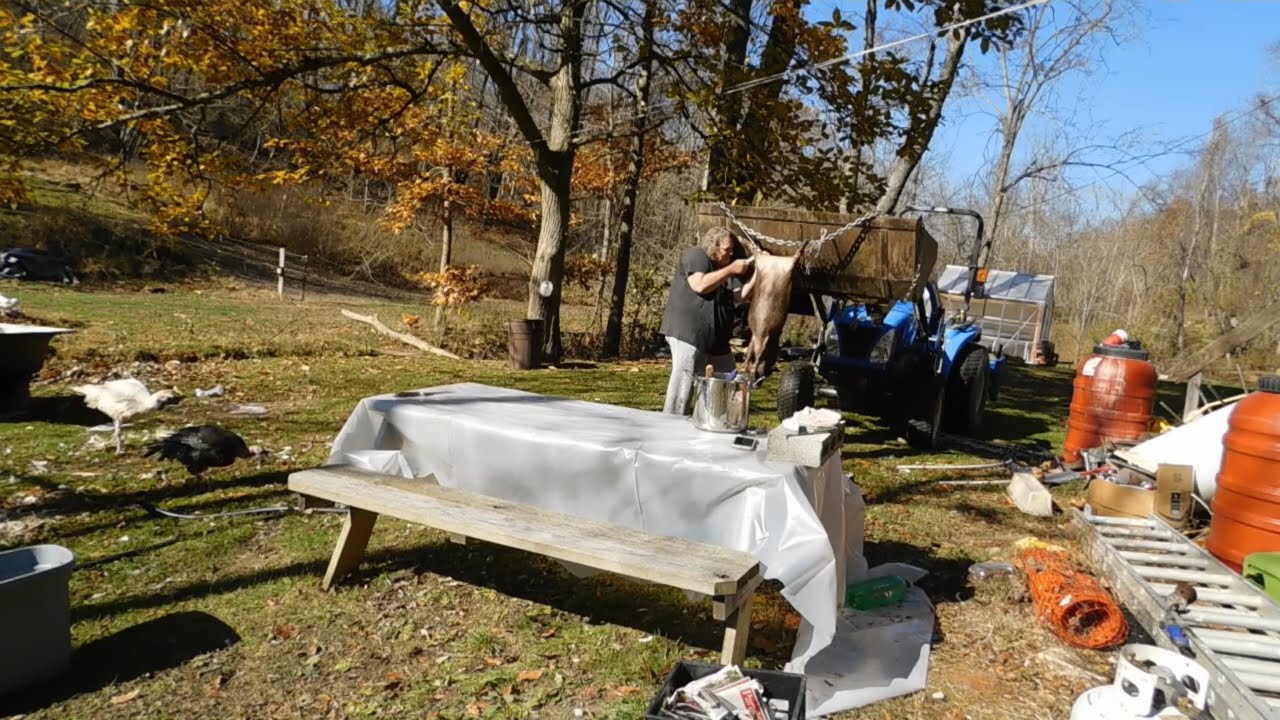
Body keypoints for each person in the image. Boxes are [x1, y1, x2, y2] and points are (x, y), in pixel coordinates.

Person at [659, 226, 756, 415]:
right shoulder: (697, 255)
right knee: (683, 385)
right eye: (727, 249)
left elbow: (740, 296)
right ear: (713, 246)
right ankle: (671, 425)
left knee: (728, 382)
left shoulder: (727, 266)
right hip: (689, 334)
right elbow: (700, 285)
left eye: (732, 250)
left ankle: (719, 422)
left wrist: (759, 273)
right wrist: (731, 269)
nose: (731, 253)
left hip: (716, 340)